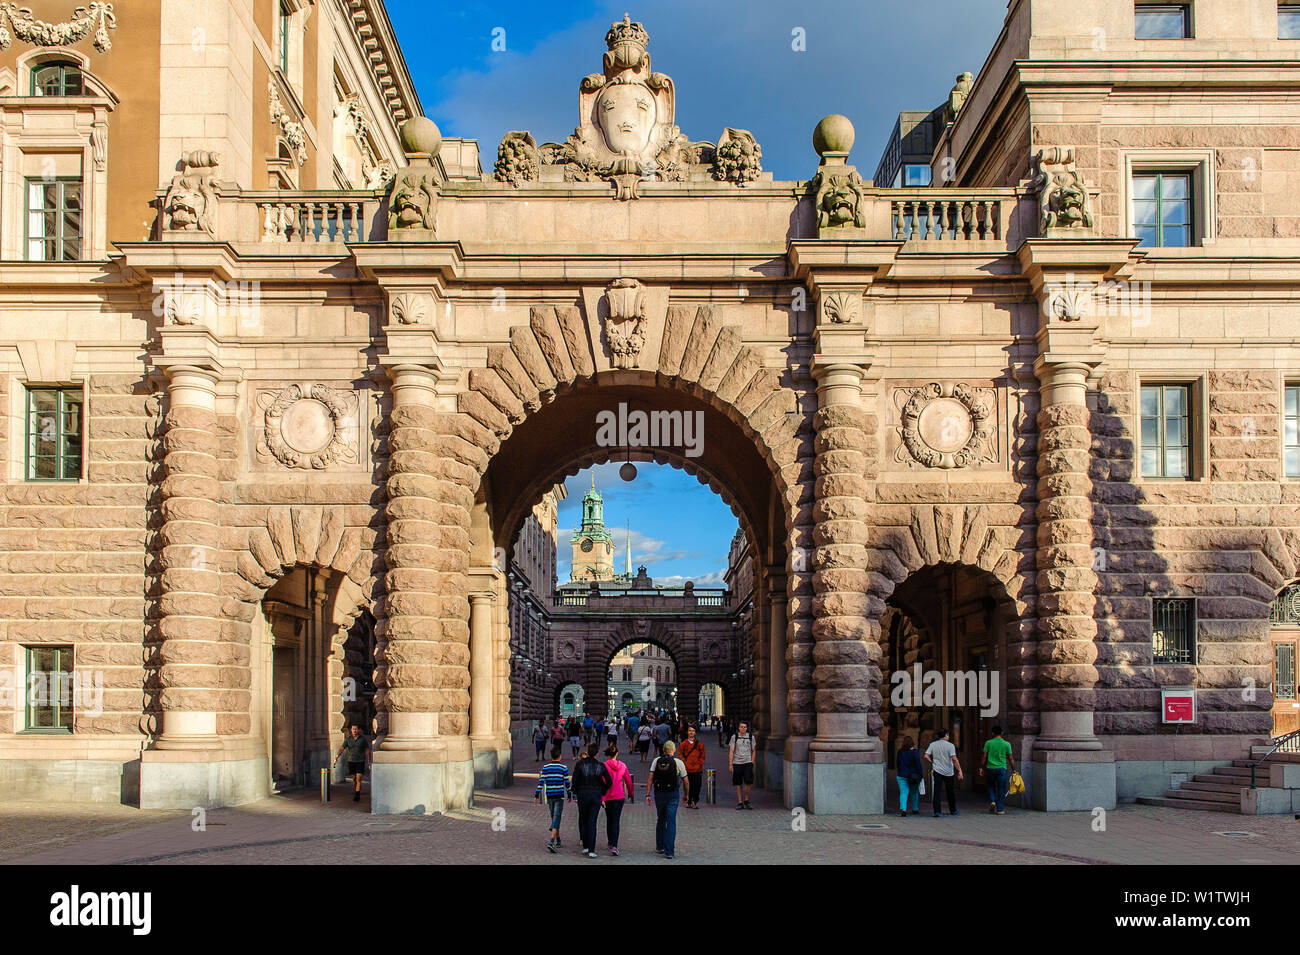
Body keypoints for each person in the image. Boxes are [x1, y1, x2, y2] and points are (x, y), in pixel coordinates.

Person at [644, 739, 688, 859]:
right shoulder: (678, 762)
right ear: (674, 750)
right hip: (673, 794)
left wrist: (648, 794)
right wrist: (686, 795)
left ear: (663, 750)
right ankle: (669, 851)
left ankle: (660, 846)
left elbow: (650, 779)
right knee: (671, 821)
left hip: (659, 794)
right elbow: (686, 780)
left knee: (661, 819)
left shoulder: (656, 761)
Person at [571, 742, 612, 858]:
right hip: (595, 795)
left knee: (583, 819)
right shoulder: (601, 766)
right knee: (592, 822)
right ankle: (592, 850)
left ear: (587, 752)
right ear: (597, 754)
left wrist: (576, 792)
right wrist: (601, 790)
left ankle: (585, 846)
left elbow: (574, 782)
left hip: (583, 794)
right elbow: (609, 782)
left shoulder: (580, 764)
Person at [534, 744, 572, 853]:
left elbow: (541, 782)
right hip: (559, 796)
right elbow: (567, 783)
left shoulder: (546, 768)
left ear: (551, 756)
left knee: (555, 817)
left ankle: (554, 840)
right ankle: (555, 840)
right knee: (556, 817)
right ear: (560, 756)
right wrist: (569, 794)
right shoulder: (563, 768)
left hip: (549, 795)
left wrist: (537, 794)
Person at [601, 743, 634, 856]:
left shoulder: (604, 766)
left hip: (608, 797)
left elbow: (602, 783)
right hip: (619, 796)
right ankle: (615, 845)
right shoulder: (622, 765)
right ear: (617, 754)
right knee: (616, 820)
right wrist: (630, 792)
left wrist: (602, 797)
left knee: (609, 819)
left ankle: (610, 842)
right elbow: (628, 781)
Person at [923, 728, 963, 816]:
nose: (948, 737)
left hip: (937, 771)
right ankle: (953, 810)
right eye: (948, 735)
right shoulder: (950, 746)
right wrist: (959, 771)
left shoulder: (933, 744)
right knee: (950, 792)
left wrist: (932, 762)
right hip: (949, 772)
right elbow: (954, 759)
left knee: (937, 791)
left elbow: (926, 755)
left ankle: (937, 811)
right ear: (945, 736)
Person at [980, 724, 1015, 815]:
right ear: (1002, 733)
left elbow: (984, 756)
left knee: (991, 786)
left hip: (990, 768)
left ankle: (992, 801)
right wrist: (1013, 769)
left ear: (992, 733)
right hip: (1002, 769)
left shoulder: (988, 743)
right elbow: (1010, 758)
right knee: (1001, 788)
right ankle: (1000, 809)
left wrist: (981, 767)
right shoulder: (1007, 744)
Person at [332, 723, 371, 803]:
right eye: (353, 729)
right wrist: (336, 757)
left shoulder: (362, 739)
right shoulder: (348, 739)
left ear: (358, 730)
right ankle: (356, 790)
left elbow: (367, 750)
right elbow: (342, 748)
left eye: (356, 729)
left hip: (360, 760)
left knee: (358, 778)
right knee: (354, 779)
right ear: (351, 730)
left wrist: (368, 761)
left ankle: (357, 794)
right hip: (351, 761)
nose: (354, 730)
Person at [728, 720, 756, 810]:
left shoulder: (751, 737)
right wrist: (730, 764)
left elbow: (754, 750)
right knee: (738, 783)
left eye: (745, 727)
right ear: (739, 728)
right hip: (737, 762)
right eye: (741, 727)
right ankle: (740, 802)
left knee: (748, 781)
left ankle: (746, 799)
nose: (743, 729)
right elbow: (731, 751)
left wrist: (752, 761)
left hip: (747, 762)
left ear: (747, 728)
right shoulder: (734, 737)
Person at [678, 725, 707, 808]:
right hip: (687, 768)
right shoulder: (683, 744)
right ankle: (688, 800)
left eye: (693, 731)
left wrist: (699, 763)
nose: (691, 732)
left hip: (697, 768)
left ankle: (695, 801)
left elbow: (703, 755)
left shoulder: (700, 744)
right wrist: (685, 762)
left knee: (697, 785)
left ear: (695, 733)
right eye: (690, 731)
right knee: (688, 786)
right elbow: (680, 754)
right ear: (687, 732)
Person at [895, 736, 924, 817]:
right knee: (914, 792)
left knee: (903, 792)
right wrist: (921, 774)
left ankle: (903, 809)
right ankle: (915, 809)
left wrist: (900, 771)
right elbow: (918, 764)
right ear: (912, 743)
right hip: (913, 776)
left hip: (901, 775)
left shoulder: (900, 752)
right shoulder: (914, 752)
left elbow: (898, 763)